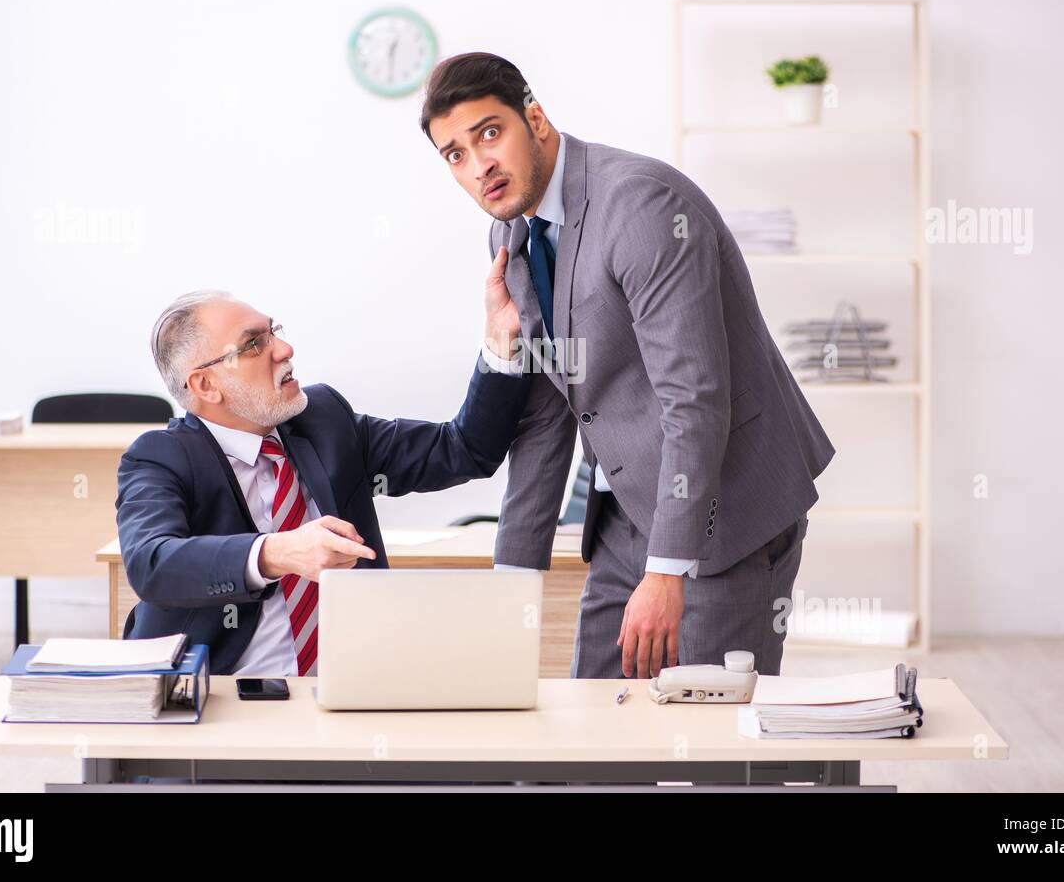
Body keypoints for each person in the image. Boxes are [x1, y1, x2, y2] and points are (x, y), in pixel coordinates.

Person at [420, 52, 836, 680]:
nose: (480, 165)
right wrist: (511, 584)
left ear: (535, 118)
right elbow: (545, 415)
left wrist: (670, 569)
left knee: (712, 755)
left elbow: (693, 398)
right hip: (624, 514)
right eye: (455, 154)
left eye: (489, 133)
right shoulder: (510, 237)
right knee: (590, 733)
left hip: (729, 510)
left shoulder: (640, 205)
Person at [115, 273, 527, 677]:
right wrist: (276, 552)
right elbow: (152, 563)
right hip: (222, 694)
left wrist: (500, 342)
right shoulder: (159, 458)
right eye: (254, 344)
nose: (284, 349)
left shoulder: (324, 419)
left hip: (350, 686)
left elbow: (463, 450)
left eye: (273, 331)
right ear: (205, 385)